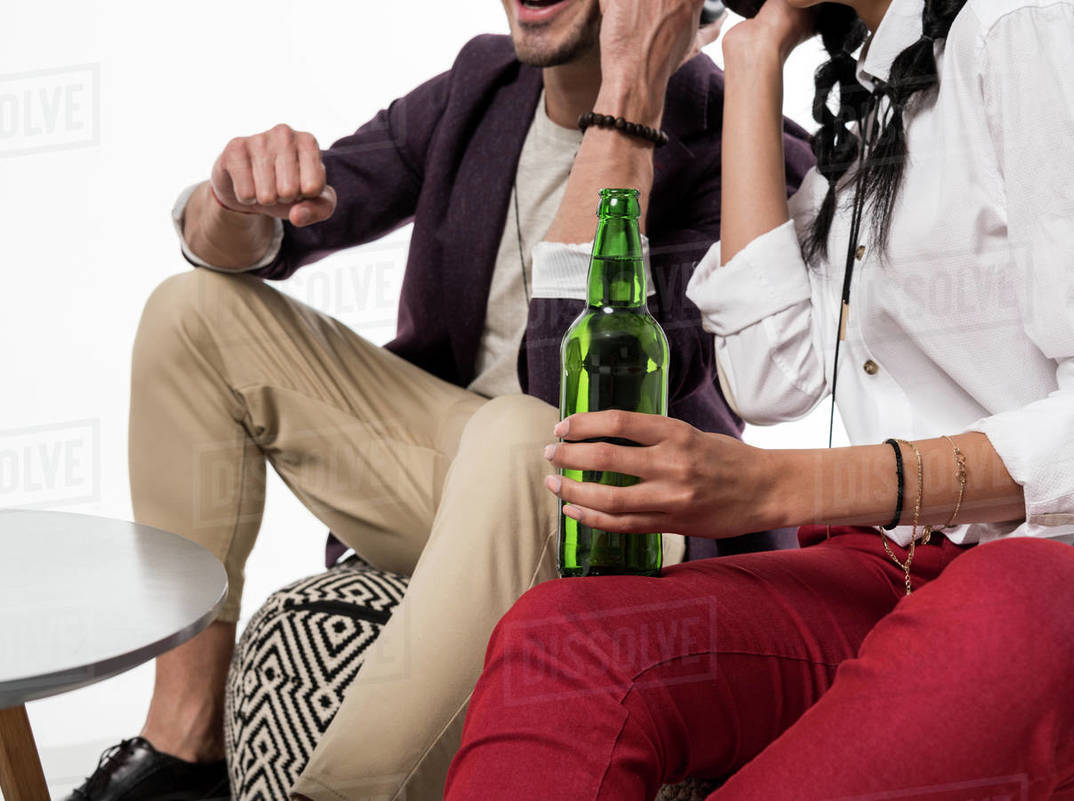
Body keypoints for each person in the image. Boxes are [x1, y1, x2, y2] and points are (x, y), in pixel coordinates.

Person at [444, 0, 1074, 797]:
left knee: (1010, 595)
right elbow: (768, 372)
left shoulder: (1030, 27)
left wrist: (780, 485)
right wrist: (755, 56)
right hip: (901, 570)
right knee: (565, 642)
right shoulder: (877, 102)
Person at [65, 1, 818, 800]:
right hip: (472, 488)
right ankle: (184, 748)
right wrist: (228, 202)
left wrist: (629, 102)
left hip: (623, 531)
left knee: (523, 430)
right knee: (191, 313)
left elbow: (567, 385)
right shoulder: (479, 88)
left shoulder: (747, 146)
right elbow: (276, 232)